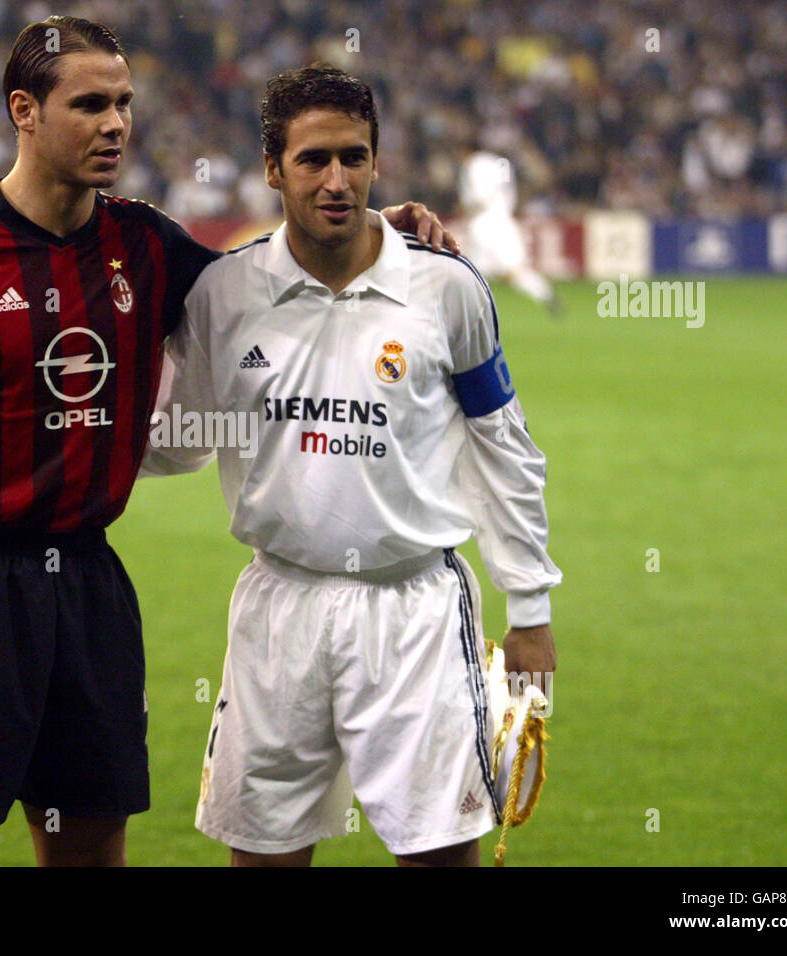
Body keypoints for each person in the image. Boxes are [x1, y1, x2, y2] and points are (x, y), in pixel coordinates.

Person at [0, 16, 453, 867]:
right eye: (89, 104)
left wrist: (373, 231)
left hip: (87, 584)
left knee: (90, 849)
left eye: (123, 103)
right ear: (25, 111)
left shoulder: (143, 243)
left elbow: (264, 283)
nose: (116, 123)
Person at [140, 65, 562, 866]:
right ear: (273, 168)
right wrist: (61, 450)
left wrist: (532, 612)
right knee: (263, 854)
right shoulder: (225, 295)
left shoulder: (449, 289)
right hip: (279, 608)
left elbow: (504, 451)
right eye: (312, 160)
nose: (337, 180)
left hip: (416, 612)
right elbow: (182, 434)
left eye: (354, 157)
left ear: (377, 160)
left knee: (439, 854)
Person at [458, 145, 562, 315]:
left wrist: (466, 205)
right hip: (504, 218)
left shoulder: (475, 164)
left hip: (484, 222)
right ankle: (544, 293)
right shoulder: (500, 163)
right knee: (512, 271)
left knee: (475, 271)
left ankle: (467, 313)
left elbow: (478, 196)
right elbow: (509, 194)